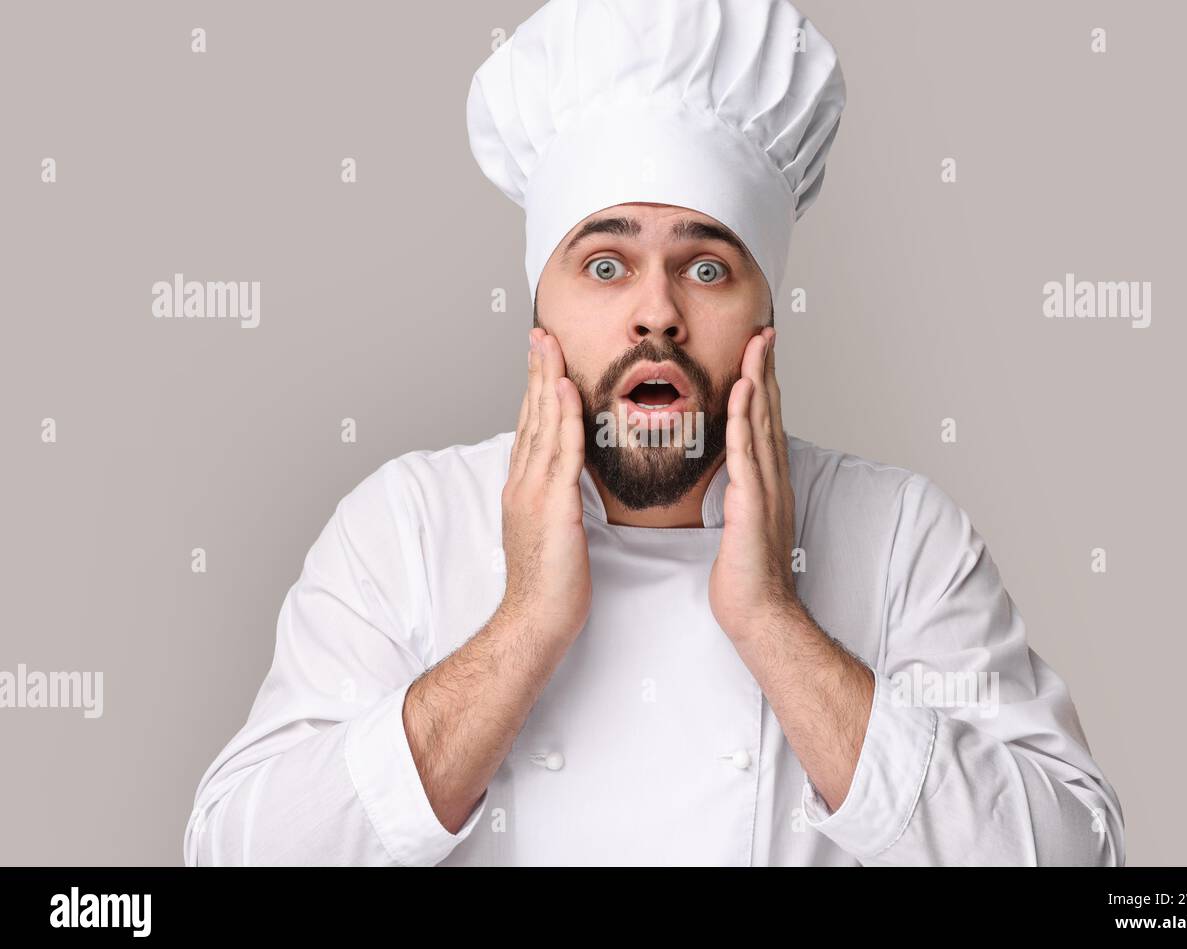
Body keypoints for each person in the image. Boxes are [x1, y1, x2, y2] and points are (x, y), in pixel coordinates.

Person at [184, 0, 1124, 866]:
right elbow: (236, 850)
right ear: (540, 312)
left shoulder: (901, 539)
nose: (656, 314)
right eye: (604, 263)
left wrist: (773, 622)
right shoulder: (408, 526)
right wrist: (523, 630)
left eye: (707, 268)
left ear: (767, 311)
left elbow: (1079, 857)